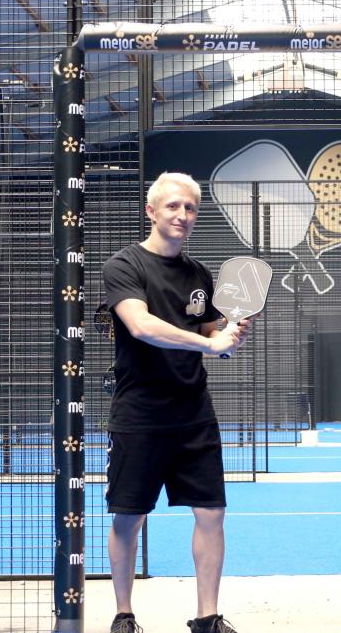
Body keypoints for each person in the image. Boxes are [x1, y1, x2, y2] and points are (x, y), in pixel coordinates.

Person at [102, 172, 249, 633]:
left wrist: (227, 335)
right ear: (151, 211)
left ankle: (207, 618)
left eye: (190, 209)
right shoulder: (123, 267)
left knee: (211, 513)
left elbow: (210, 330)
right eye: (173, 207)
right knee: (129, 516)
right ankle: (124, 615)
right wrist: (208, 345)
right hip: (140, 412)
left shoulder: (199, 275)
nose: (183, 215)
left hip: (194, 413)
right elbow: (142, 326)